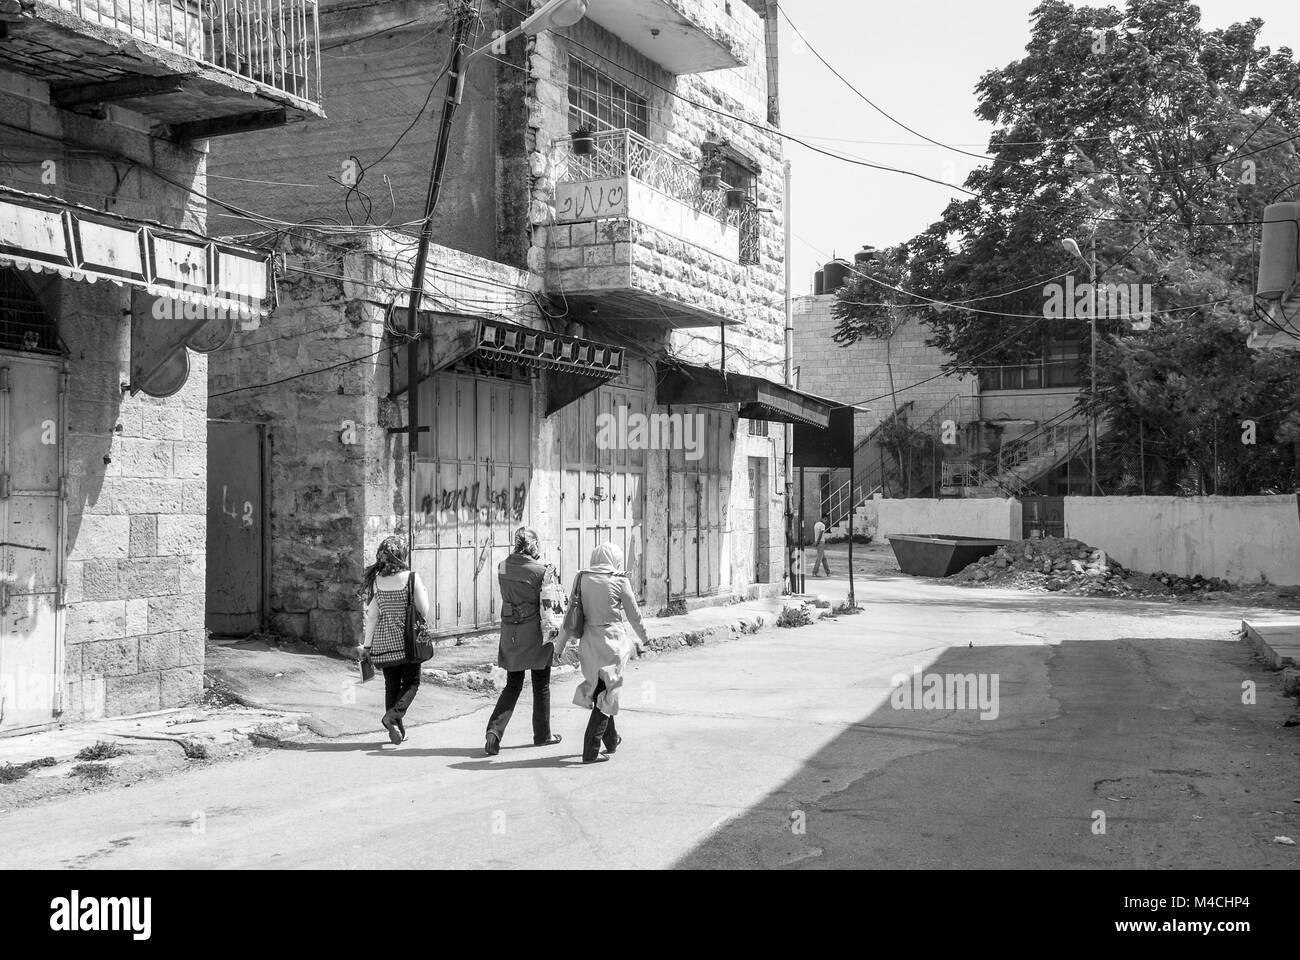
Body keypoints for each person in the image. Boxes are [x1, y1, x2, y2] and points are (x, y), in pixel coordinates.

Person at [485, 527, 562, 756]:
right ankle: (542, 735)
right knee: (542, 685)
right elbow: (552, 601)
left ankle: (494, 732)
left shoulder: (503, 567)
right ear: (534, 545)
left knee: (513, 685)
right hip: (536, 634)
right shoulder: (541, 570)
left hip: (511, 633)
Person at [570, 542, 649, 764]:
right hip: (612, 643)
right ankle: (590, 749)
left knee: (601, 689)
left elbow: (571, 614)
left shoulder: (581, 578)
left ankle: (612, 740)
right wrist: (645, 638)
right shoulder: (619, 580)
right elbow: (633, 614)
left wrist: (559, 647)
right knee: (609, 691)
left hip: (588, 643)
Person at [358, 536, 431, 746]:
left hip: (383, 643)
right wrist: (423, 591)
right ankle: (391, 718)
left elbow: (372, 615)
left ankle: (397, 727)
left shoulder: (378, 580)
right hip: (408, 642)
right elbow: (423, 610)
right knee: (412, 683)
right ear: (402, 554)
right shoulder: (411, 578)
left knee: (391, 684)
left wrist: (367, 646)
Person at [813, 511, 831, 577]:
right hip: (820, 542)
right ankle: (815, 572)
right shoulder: (822, 525)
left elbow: (816, 534)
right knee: (819, 558)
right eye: (826, 519)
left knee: (824, 558)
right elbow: (820, 534)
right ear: (823, 518)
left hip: (818, 542)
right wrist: (818, 542)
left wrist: (816, 542)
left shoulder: (816, 524)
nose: (826, 521)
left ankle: (828, 572)